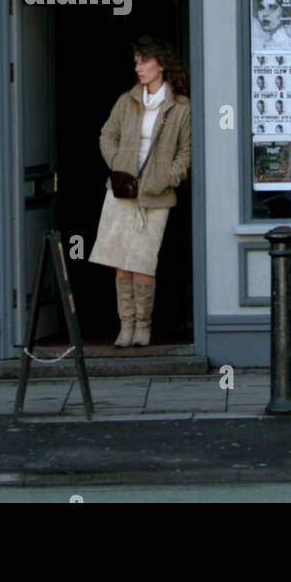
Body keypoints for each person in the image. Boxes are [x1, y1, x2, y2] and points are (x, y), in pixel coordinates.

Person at [92, 36, 191, 348]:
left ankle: (143, 325)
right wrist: (118, 165)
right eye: (136, 62)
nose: (139, 68)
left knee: (143, 261)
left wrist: (166, 177)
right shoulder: (128, 100)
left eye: (144, 61)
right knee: (121, 259)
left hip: (156, 195)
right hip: (122, 191)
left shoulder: (181, 107)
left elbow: (186, 153)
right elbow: (107, 135)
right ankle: (126, 325)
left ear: (160, 64)